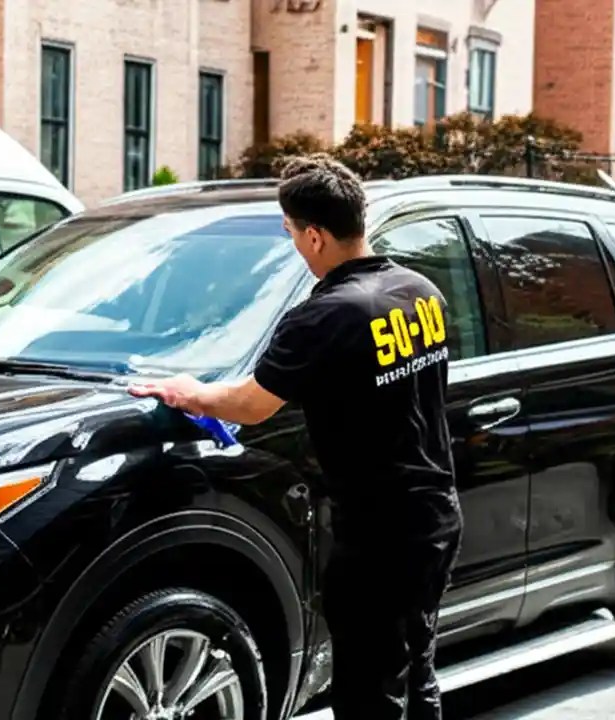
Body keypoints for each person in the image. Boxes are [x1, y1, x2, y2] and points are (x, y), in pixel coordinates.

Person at [126, 155, 464, 720]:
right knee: (415, 665)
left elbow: (252, 405)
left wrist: (190, 391)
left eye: (290, 233)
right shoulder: (419, 290)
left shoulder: (326, 314)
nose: (293, 246)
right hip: (435, 516)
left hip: (378, 535)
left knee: (367, 691)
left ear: (314, 234)